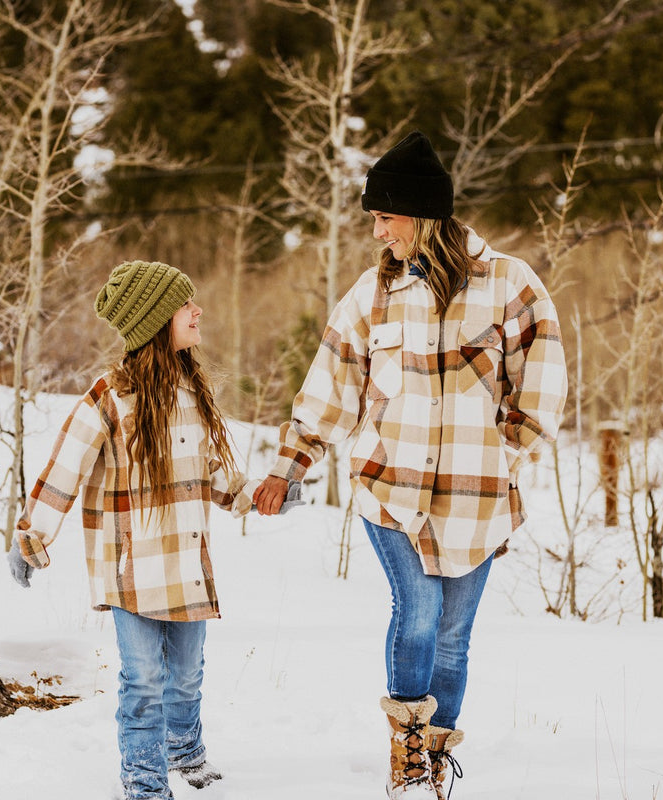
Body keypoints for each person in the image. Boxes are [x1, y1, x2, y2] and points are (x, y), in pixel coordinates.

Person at [253, 131, 568, 799]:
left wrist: (505, 451)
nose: (376, 233)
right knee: (419, 610)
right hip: (389, 488)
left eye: (383, 217)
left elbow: (543, 381)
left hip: (475, 498)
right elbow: (330, 383)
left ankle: (439, 746)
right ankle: (407, 753)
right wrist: (290, 465)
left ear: (421, 214)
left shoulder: (511, 285)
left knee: (454, 635)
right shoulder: (374, 293)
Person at [7, 260, 291, 800]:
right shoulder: (110, 396)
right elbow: (64, 469)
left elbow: (213, 474)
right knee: (143, 682)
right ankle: (143, 778)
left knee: (186, 675)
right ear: (157, 320)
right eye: (186, 305)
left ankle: (185, 751)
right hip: (131, 569)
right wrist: (31, 537)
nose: (197, 310)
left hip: (186, 565)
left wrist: (257, 494)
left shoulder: (191, 391)